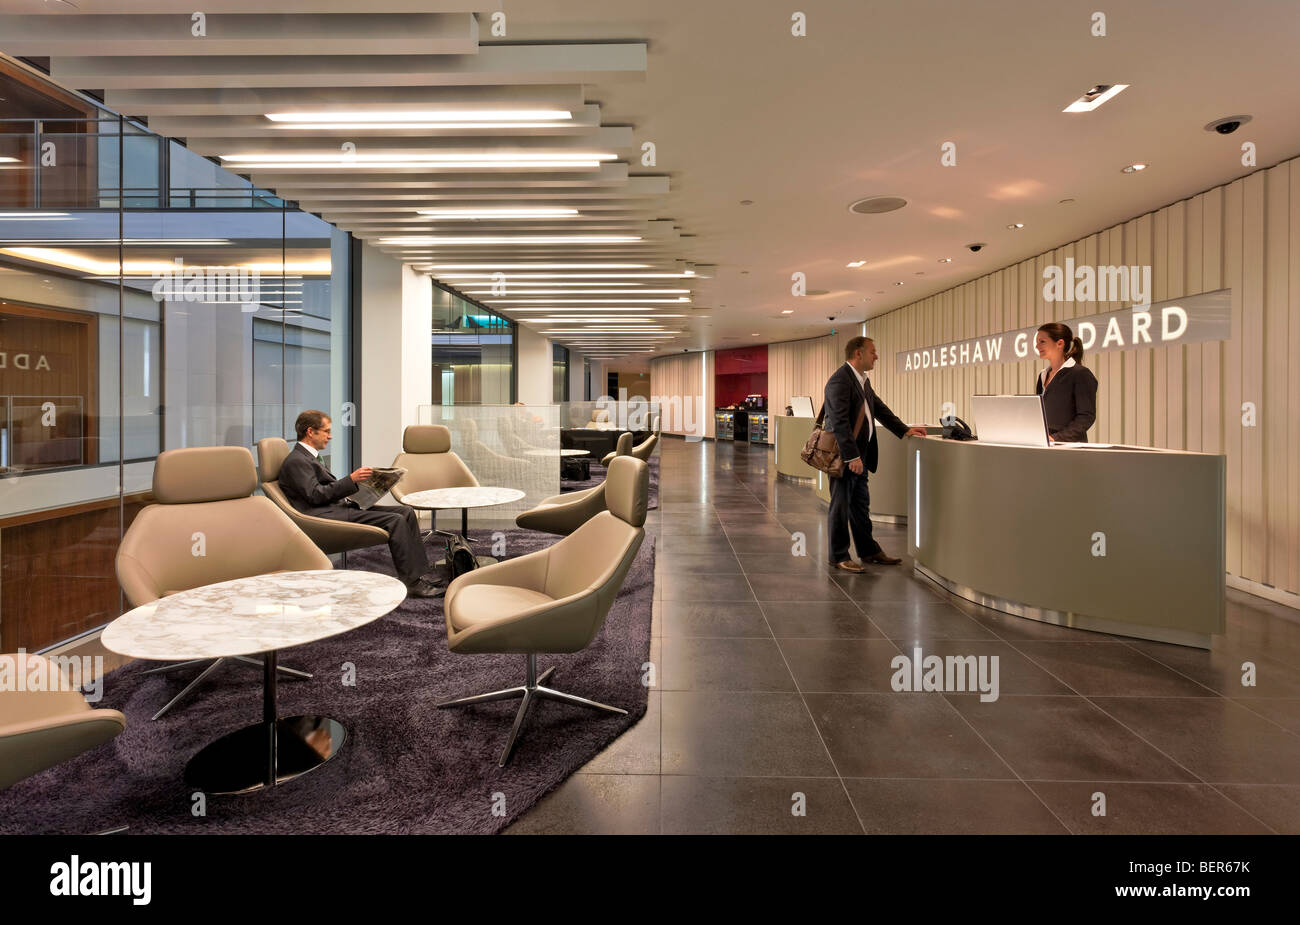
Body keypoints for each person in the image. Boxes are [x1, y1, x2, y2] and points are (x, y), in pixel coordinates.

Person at [278, 410, 438, 598]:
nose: (330, 436)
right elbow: (315, 496)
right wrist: (351, 480)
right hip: (324, 515)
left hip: (335, 507)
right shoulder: (296, 461)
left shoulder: (309, 457)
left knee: (406, 512)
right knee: (395, 520)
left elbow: (323, 489)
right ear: (310, 431)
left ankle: (419, 574)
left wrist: (363, 487)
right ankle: (412, 583)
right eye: (326, 431)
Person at [824, 336, 927, 572]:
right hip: (847, 459)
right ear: (858, 354)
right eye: (873, 352)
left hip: (861, 456)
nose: (876, 356)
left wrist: (905, 430)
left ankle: (869, 551)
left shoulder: (862, 380)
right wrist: (852, 457)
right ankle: (838, 555)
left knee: (860, 506)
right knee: (840, 506)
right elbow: (839, 423)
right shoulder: (839, 381)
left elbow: (879, 409)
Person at [1034, 322, 1098, 443]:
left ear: (1060, 343)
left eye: (1042, 342)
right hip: (1045, 446)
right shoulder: (1042, 376)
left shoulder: (1080, 374)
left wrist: (1057, 438)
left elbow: (1086, 416)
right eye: (1037, 342)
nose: (1037, 346)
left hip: (1069, 448)